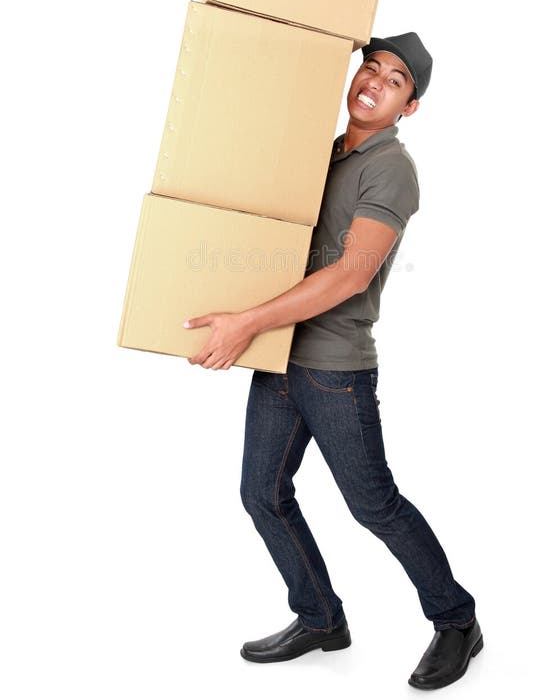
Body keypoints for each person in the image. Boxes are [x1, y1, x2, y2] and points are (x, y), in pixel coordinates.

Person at [184, 33, 483, 690]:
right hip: (281, 355)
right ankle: (321, 618)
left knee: (374, 505)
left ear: (410, 107)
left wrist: (247, 322)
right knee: (262, 494)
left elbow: (351, 274)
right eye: (370, 66)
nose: (375, 81)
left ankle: (457, 620)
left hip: (335, 370)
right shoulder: (324, 155)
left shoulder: (392, 167)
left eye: (396, 80)